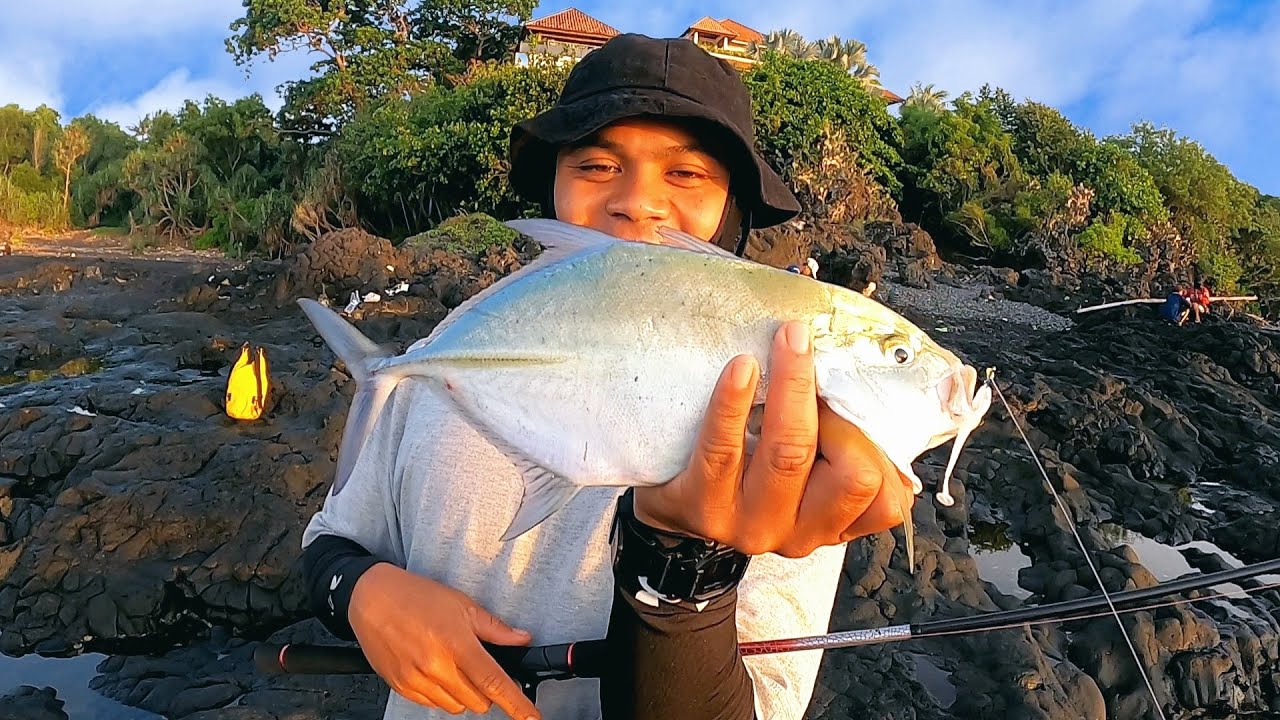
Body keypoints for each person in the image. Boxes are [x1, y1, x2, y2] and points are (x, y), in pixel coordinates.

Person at [300, 34, 911, 720]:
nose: (637, 203)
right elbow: (331, 540)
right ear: (553, 192)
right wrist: (365, 594)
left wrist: (683, 574)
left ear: (733, 214)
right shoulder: (457, 343)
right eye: (596, 164)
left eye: (686, 175)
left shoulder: (786, 438)